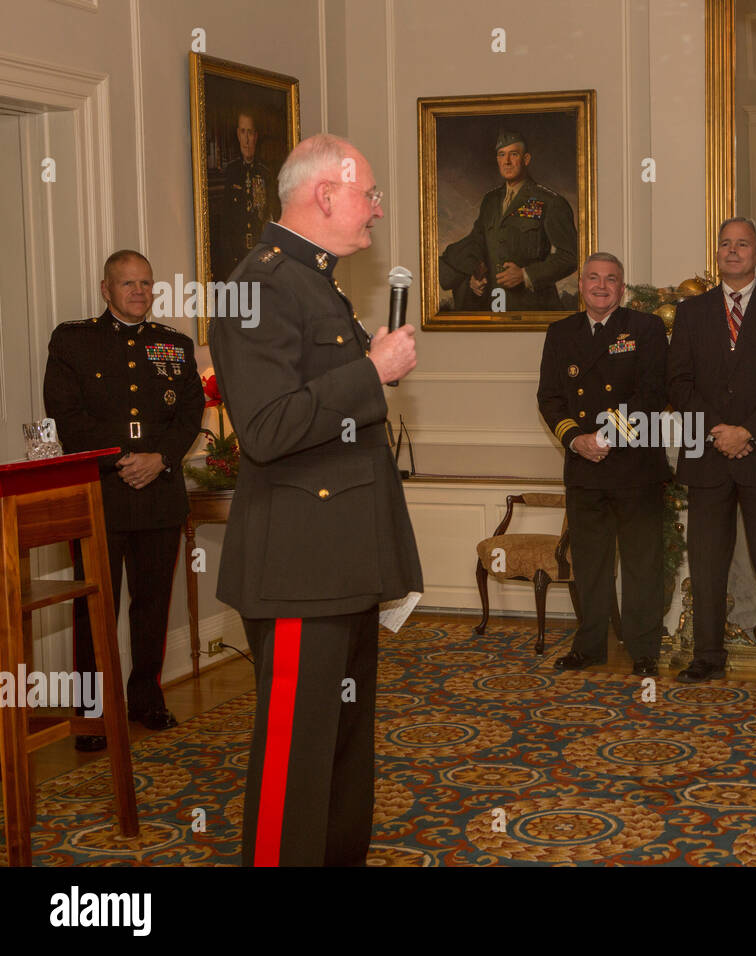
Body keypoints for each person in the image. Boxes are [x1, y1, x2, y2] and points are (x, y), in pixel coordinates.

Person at [209, 133, 423, 866]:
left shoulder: (314, 279)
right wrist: (371, 370)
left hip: (338, 563)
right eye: (369, 192)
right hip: (300, 566)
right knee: (295, 764)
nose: (378, 207)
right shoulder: (263, 283)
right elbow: (267, 430)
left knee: (339, 750)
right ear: (325, 194)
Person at [43, 250, 204, 751]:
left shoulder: (174, 346)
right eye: (128, 283)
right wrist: (119, 460)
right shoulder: (74, 341)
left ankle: (146, 699)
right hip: (100, 496)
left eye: (146, 284)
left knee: (152, 604)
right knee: (96, 608)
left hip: (158, 495)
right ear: (105, 289)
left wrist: (160, 458)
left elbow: (190, 413)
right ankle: (92, 714)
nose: (139, 291)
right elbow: (65, 415)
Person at [667, 217, 756, 689]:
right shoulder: (690, 312)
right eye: (725, 244)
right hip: (707, 457)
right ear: (718, 253)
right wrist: (717, 431)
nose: (733, 251)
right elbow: (678, 382)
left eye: (742, 244)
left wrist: (747, 432)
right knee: (707, 564)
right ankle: (707, 655)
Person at [536, 252, 670, 676]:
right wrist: (577, 439)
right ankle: (590, 645)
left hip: (636, 467)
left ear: (622, 287)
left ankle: (644, 648)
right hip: (584, 468)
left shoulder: (645, 328)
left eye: (610, 279)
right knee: (590, 565)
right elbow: (549, 397)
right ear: (581, 285)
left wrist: (606, 437)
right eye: (593, 277)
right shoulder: (561, 333)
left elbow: (653, 392)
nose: (601, 285)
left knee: (641, 563)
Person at [439, 130, 578, 312]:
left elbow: (570, 257)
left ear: (526, 159)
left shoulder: (550, 202)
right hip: (493, 304)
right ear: (497, 160)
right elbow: (477, 242)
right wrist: (473, 274)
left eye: (514, 154)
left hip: (534, 307)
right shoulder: (490, 200)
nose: (507, 161)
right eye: (502, 155)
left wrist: (526, 275)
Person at [215, 111, 281, 280]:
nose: (246, 139)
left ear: (256, 136)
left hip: (261, 254)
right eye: (243, 132)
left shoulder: (266, 173)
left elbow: (273, 214)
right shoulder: (231, 172)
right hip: (237, 256)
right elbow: (225, 223)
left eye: (250, 132)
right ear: (238, 134)